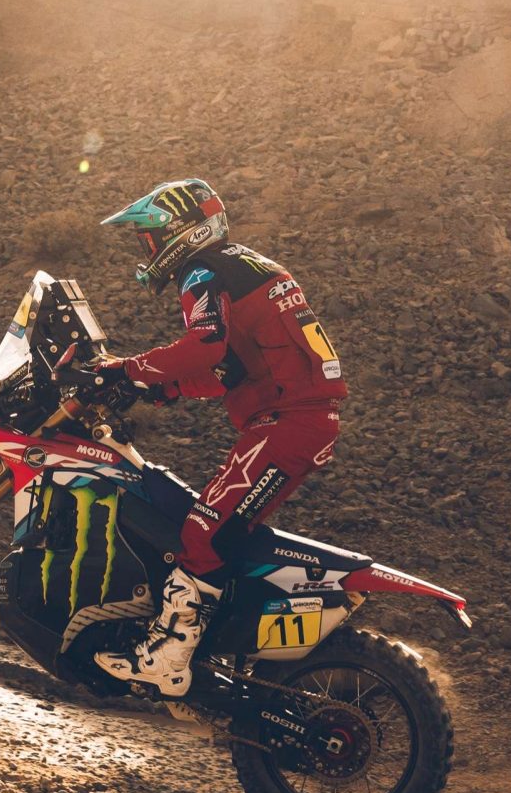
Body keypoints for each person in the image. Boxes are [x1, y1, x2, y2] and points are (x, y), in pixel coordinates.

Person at [84, 179, 347, 696]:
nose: (148, 251)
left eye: (150, 239)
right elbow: (228, 368)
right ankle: (217, 642)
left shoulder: (203, 271)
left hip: (289, 420)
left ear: (180, 233)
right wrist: (162, 389)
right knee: (219, 532)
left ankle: (170, 657)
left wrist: (123, 370)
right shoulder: (246, 265)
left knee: (203, 532)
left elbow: (205, 345)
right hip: (297, 415)